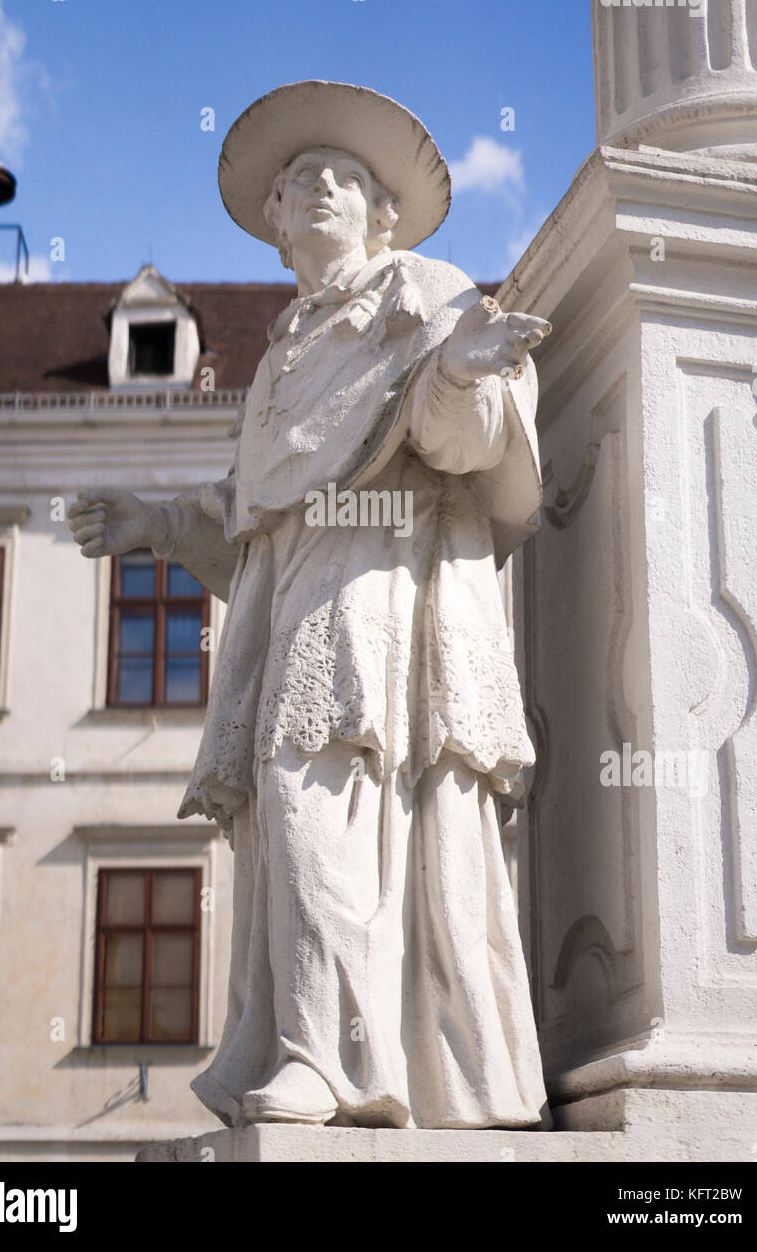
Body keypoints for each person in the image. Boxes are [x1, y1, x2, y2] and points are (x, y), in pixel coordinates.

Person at [69, 81, 552, 1130]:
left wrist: (460, 375)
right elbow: (252, 515)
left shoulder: (422, 291)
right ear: (277, 225)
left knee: (309, 799)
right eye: (297, 183)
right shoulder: (279, 352)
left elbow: (470, 450)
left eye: (341, 176)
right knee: (295, 819)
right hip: (300, 596)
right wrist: (155, 520)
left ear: (382, 210)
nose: (317, 188)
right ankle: (337, 1054)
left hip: (392, 585)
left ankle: (329, 1065)